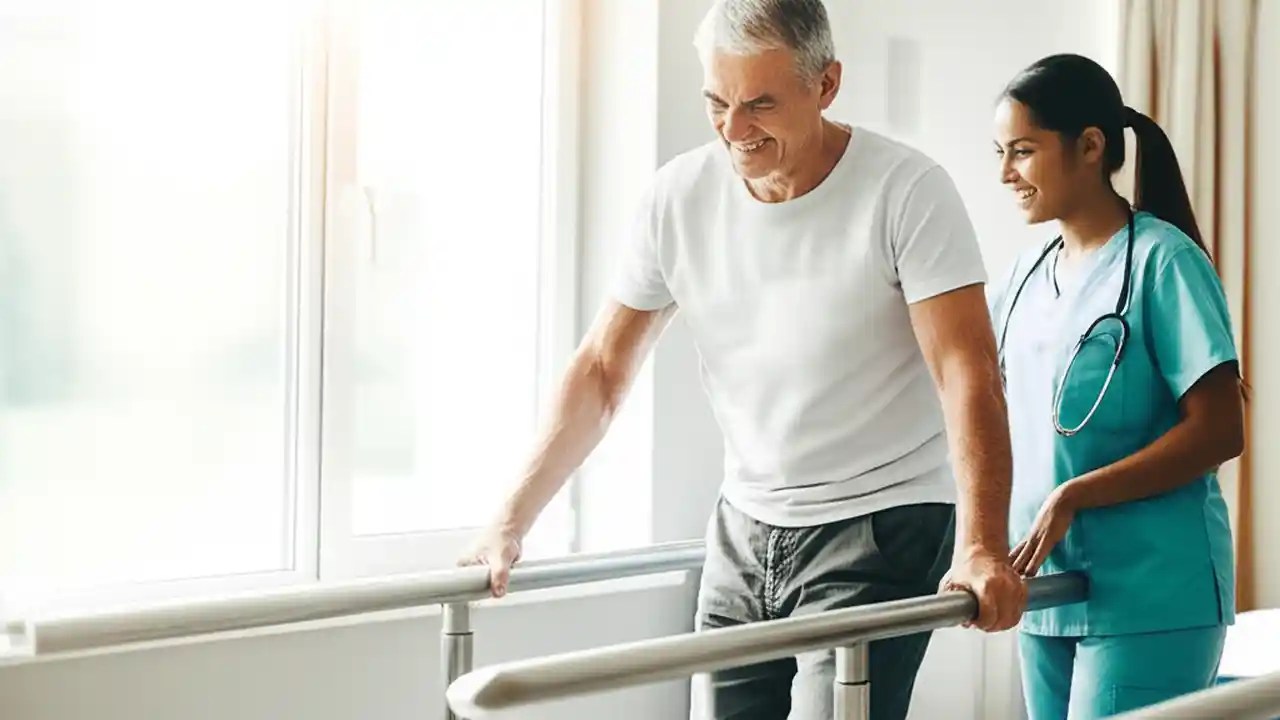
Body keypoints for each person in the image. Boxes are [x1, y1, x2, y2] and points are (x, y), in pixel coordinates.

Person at [461, 1, 1026, 717]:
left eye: (759, 104)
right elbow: (603, 370)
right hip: (742, 526)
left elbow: (967, 372)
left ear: (826, 86)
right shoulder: (678, 197)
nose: (734, 130)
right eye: (717, 102)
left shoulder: (905, 192)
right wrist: (508, 522)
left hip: (880, 523)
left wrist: (982, 545)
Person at [989, 54, 1245, 719]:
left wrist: (1077, 494)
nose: (1005, 173)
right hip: (1047, 594)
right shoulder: (1023, 277)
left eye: (1022, 150)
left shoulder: (1165, 261)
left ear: (1091, 147)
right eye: (1001, 153)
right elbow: (989, 407)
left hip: (1152, 592)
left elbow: (1220, 431)